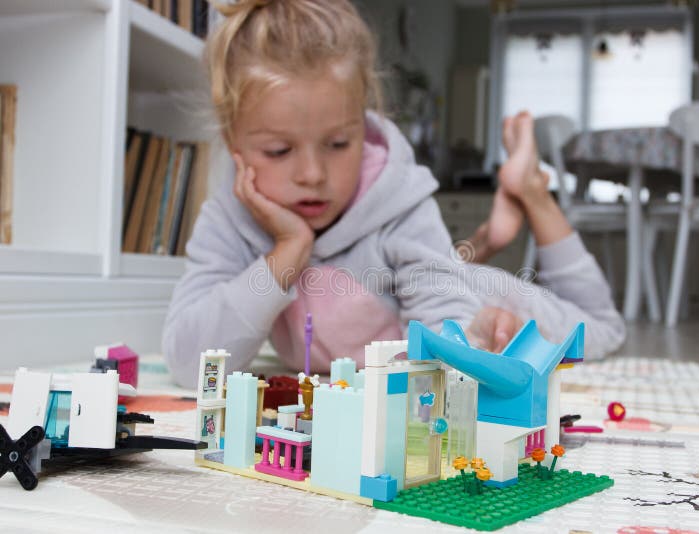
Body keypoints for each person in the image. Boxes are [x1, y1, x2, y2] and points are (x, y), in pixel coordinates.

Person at [162, 0, 624, 388]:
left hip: (475, 298)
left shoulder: (399, 201)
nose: (312, 174)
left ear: (363, 129)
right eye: (279, 150)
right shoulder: (228, 216)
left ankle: (532, 192)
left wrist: (471, 336)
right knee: (443, 267)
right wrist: (288, 252)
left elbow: (445, 346)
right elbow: (190, 365)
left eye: (339, 144)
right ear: (233, 143)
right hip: (433, 271)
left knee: (602, 329)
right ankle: (485, 240)